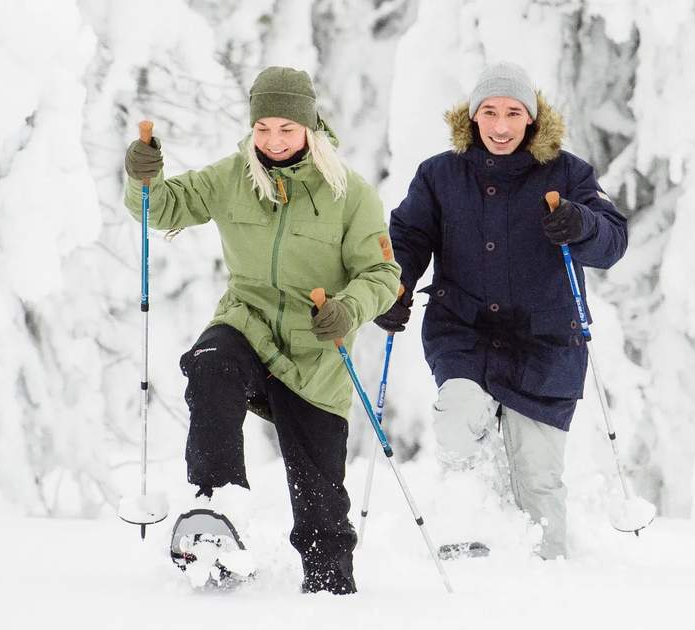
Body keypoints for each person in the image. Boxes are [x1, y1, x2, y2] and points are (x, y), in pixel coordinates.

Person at [123, 66, 401, 594]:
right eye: (263, 128)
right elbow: (159, 207)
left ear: (310, 128)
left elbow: (383, 275)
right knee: (211, 363)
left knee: (322, 513)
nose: (273, 140)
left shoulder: (350, 194)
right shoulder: (234, 177)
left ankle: (330, 593)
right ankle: (217, 510)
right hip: (246, 325)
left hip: (316, 358)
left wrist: (348, 308)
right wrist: (143, 176)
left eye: (286, 129)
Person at [376, 62, 627, 560]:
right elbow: (407, 237)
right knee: (459, 418)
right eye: (489, 112)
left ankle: (547, 576)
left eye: (513, 113)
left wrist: (580, 223)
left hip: (546, 342)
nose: (501, 125)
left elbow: (612, 240)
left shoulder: (568, 173)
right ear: (471, 118)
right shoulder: (440, 174)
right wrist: (395, 286)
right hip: (464, 332)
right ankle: (470, 532)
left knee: (537, 481)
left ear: (531, 120)